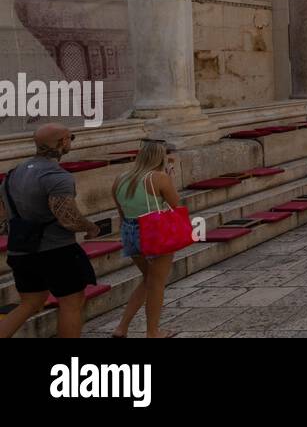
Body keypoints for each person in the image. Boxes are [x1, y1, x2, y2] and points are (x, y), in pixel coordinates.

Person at [0, 124, 101, 338]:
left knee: (29, 303)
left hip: (21, 249)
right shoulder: (57, 176)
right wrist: (90, 227)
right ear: (63, 142)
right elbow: (67, 217)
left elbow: (3, 211)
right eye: (70, 137)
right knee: (71, 304)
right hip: (56, 250)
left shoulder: (13, 174)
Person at [110, 139, 183, 338]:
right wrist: (171, 179)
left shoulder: (120, 178)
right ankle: (153, 332)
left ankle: (122, 327)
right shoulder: (159, 177)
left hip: (129, 231)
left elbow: (121, 212)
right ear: (160, 157)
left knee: (148, 279)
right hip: (153, 232)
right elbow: (176, 205)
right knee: (157, 282)